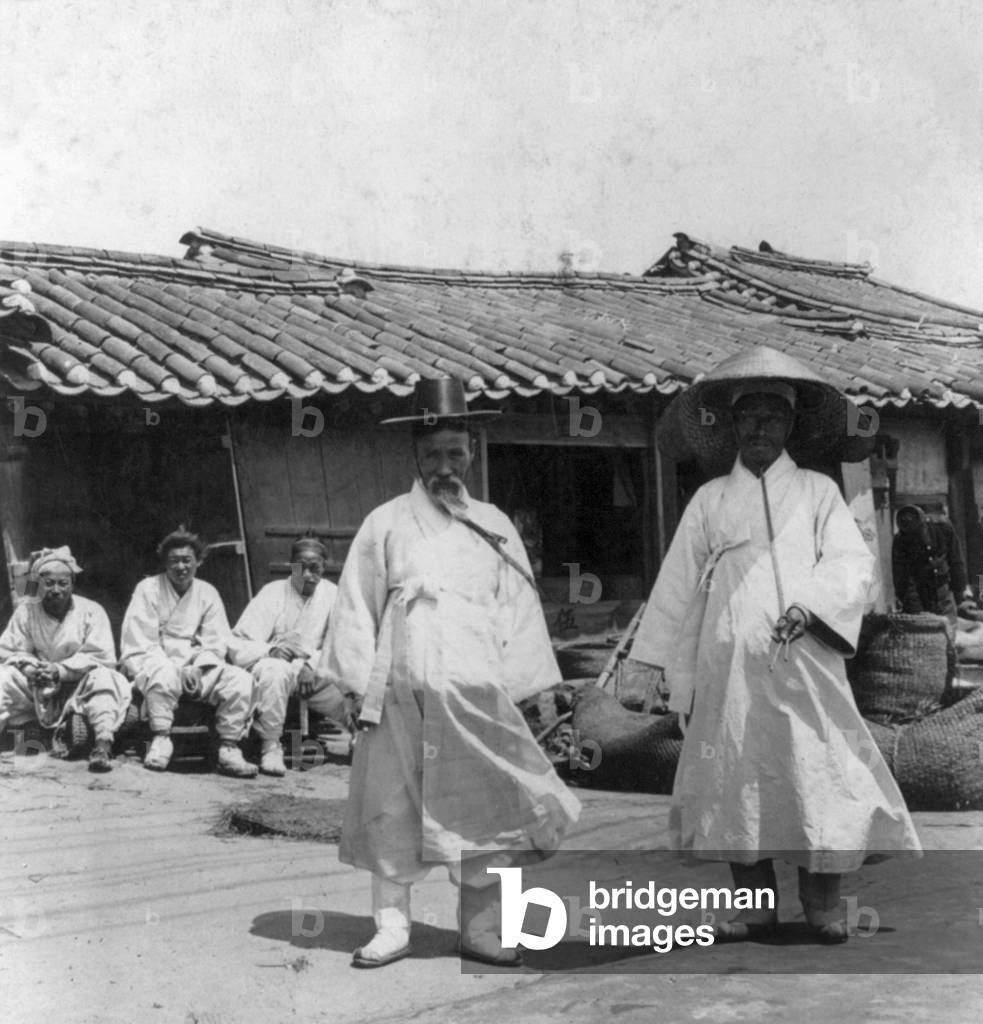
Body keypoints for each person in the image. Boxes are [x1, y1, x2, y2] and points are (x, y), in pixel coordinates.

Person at [632, 346, 921, 944]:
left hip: (804, 658)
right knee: (737, 774)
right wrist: (647, 665)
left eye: (771, 417)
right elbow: (676, 584)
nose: (759, 428)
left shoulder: (817, 492)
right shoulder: (710, 500)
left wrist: (806, 607)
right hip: (728, 664)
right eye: (748, 417)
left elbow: (850, 561)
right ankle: (754, 908)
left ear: (791, 426)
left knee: (814, 772)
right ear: (733, 426)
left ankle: (821, 908)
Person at [319, 376, 580, 969]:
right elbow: (356, 606)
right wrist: (354, 687)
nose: (445, 465)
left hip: (477, 699)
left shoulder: (494, 525)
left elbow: (519, 610)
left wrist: (529, 692)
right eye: (433, 454)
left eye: (455, 452)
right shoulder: (384, 523)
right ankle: (391, 927)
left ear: (472, 452)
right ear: (415, 455)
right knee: (389, 810)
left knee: (486, 814)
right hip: (399, 697)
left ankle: (483, 930)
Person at [120, 528, 257, 777]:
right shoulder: (148, 589)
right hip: (159, 660)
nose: (181, 567)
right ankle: (161, 739)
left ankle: (229, 747)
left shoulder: (207, 592)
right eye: (174, 561)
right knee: (160, 674)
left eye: (187, 560)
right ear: (164, 563)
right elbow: (141, 641)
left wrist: (198, 666)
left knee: (240, 680)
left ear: (199, 562)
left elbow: (216, 641)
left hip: (198, 667)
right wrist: (177, 669)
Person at [0, 546, 131, 772]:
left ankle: (102, 744)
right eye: (48, 583)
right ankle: (53, 730)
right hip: (38, 689)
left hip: (78, 685)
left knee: (106, 678)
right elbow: (9, 650)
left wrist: (59, 670)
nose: (56, 590)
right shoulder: (26, 612)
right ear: (38, 585)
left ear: (73, 583)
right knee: (3, 677)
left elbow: (102, 656)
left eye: (63, 583)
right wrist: (31, 669)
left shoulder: (92, 611)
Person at [229, 536, 339, 776]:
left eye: (315, 568)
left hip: (315, 674)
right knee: (273, 670)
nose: (308, 574)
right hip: (278, 672)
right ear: (291, 565)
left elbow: (340, 644)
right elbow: (239, 642)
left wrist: (311, 665)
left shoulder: (334, 595)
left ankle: (360, 739)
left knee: (356, 676)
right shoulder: (273, 592)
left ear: (324, 568)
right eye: (302, 566)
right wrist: (270, 650)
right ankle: (271, 747)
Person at [892, 503, 975, 622]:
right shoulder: (900, 541)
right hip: (919, 595)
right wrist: (916, 611)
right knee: (926, 634)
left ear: (925, 522)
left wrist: (959, 593)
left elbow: (955, 560)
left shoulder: (943, 528)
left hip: (943, 592)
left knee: (949, 631)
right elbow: (902, 578)